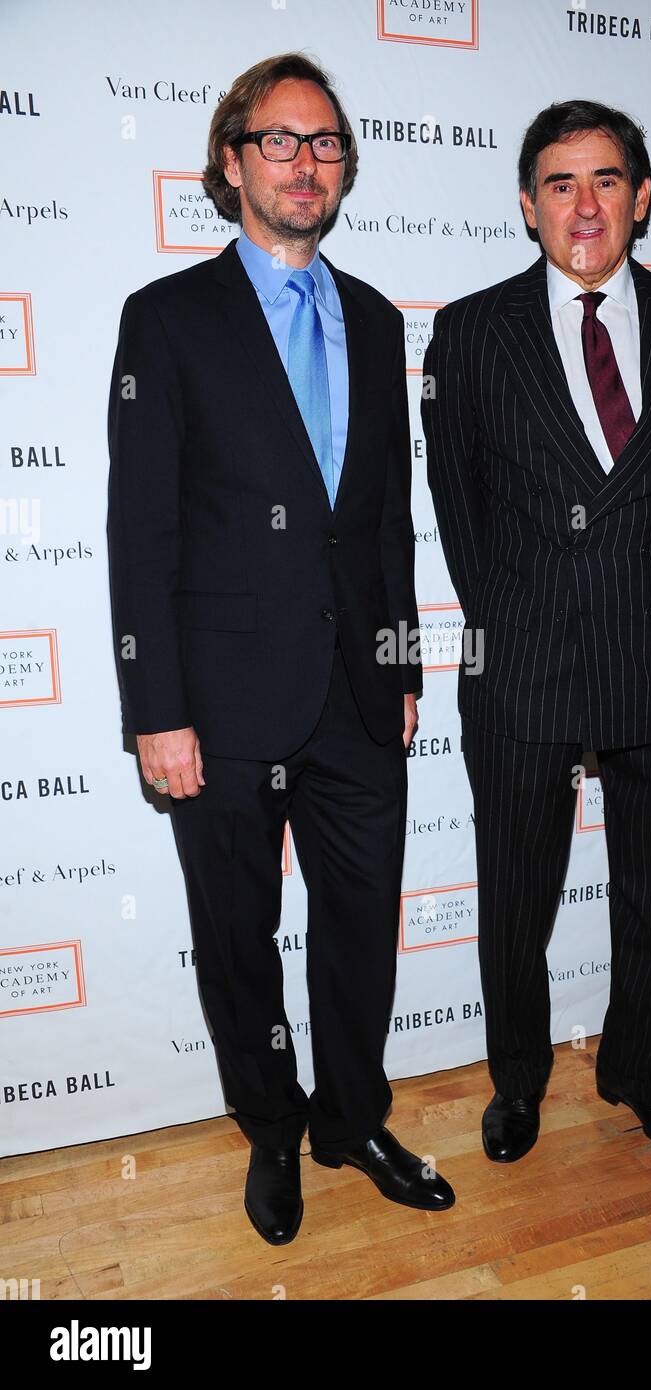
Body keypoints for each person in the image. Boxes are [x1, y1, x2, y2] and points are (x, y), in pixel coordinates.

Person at [107, 52, 454, 1245]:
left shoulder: (375, 316)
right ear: (231, 161)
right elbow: (140, 533)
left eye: (325, 145)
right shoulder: (168, 319)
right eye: (281, 141)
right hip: (220, 702)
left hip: (358, 696)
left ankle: (353, 1117)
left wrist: (402, 666)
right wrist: (157, 712)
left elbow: (387, 522)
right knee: (241, 940)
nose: (306, 163)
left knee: (363, 924)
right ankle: (271, 1126)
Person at [421, 99, 651, 1164]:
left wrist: (630, 578)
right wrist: (513, 618)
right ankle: (518, 1083)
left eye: (607, 178)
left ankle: (640, 1074)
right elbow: (460, 507)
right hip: (525, 662)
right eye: (560, 183)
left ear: (643, 197)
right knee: (518, 897)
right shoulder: (470, 333)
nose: (585, 202)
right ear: (527, 205)